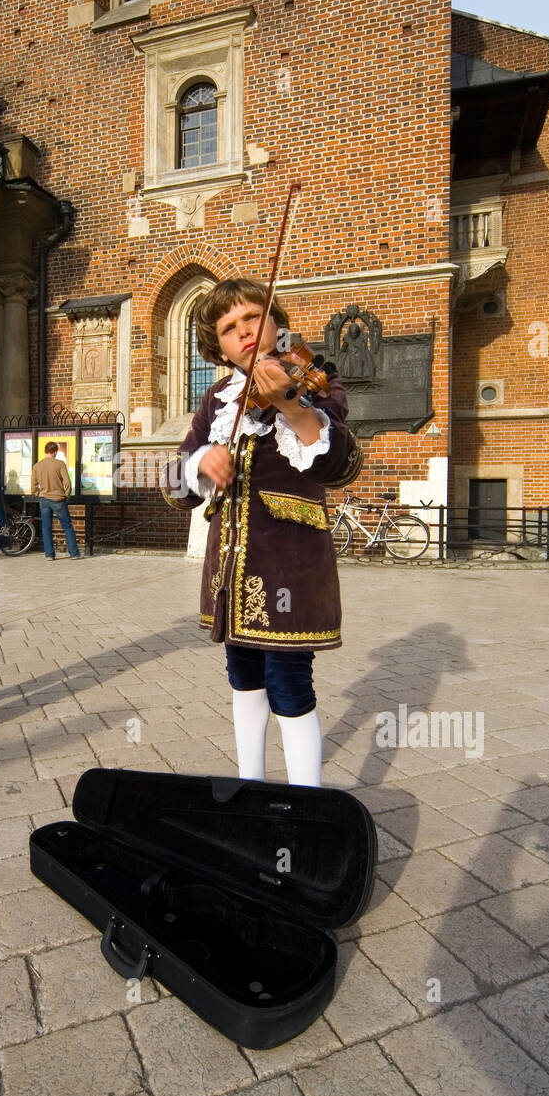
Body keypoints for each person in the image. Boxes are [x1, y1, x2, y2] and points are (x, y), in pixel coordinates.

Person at [167, 279, 357, 786]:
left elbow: (341, 464)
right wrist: (201, 463)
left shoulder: (315, 378)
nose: (244, 331)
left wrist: (293, 408)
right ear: (218, 346)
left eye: (253, 317)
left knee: (289, 683)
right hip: (229, 565)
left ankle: (305, 800)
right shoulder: (218, 397)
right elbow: (177, 483)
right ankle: (250, 784)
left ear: (275, 321)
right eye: (229, 328)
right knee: (244, 676)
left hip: (290, 561)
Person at [31, 442, 80, 560]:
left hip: (44, 499)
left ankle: (49, 555)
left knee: (46, 527)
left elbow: (33, 485)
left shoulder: (37, 466)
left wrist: (38, 494)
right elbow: (67, 482)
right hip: (58, 499)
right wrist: (66, 494)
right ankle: (74, 553)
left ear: (45, 451)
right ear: (55, 452)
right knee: (67, 526)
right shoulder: (60, 464)